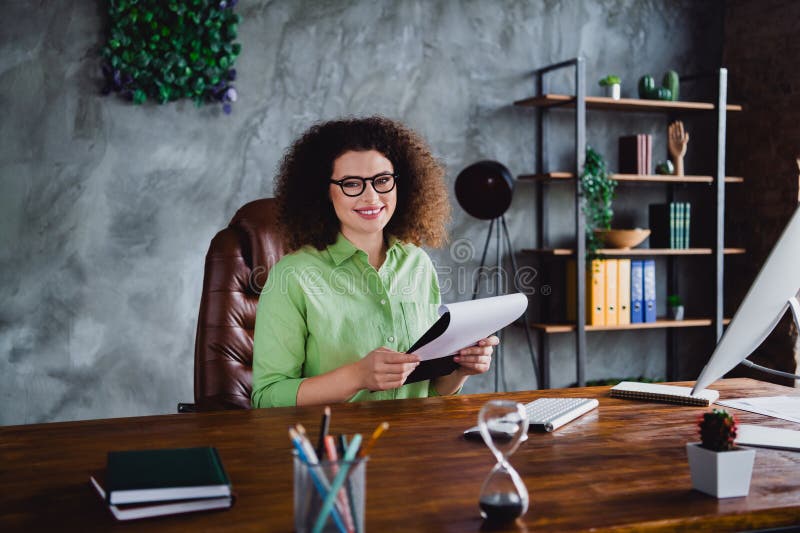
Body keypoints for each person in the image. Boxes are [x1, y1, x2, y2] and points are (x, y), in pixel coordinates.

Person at [251, 116, 498, 408]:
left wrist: (461, 370)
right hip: (337, 449)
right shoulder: (293, 276)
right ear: (324, 193)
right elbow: (266, 399)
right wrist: (356, 376)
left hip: (412, 443)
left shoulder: (417, 264)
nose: (372, 197)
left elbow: (429, 392)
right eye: (351, 184)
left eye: (382, 181)